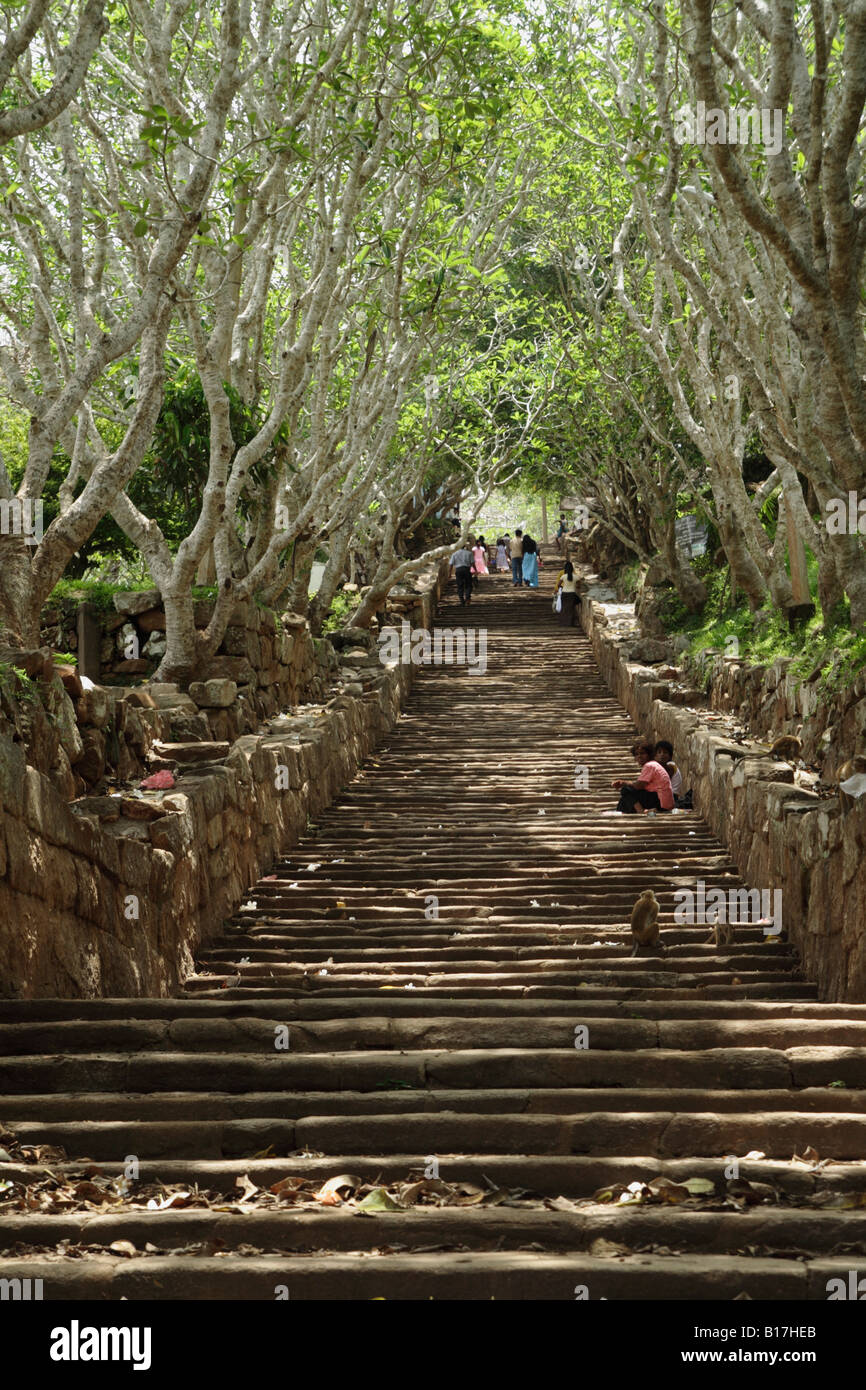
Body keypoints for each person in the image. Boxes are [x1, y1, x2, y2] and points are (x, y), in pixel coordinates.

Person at [612, 740, 673, 814]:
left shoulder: (650, 765)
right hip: (661, 802)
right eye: (637, 754)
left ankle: (640, 811)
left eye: (642, 753)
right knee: (625, 800)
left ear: (649, 754)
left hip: (660, 802)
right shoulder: (653, 765)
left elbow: (638, 786)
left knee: (626, 790)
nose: (639, 756)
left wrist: (624, 783)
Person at [655, 740, 691, 808]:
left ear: (670, 755)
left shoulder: (670, 766)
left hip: (671, 797)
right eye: (659, 752)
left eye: (665, 752)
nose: (662, 755)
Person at [449, 541, 474, 607]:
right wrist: (475, 570)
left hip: (458, 570)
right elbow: (472, 563)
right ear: (464, 547)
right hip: (466, 569)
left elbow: (451, 564)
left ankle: (461, 600)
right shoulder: (469, 553)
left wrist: (449, 573)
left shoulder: (454, 554)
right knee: (468, 584)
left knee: (460, 585)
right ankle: (467, 597)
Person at [555, 560, 579, 626]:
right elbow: (579, 585)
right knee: (571, 609)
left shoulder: (563, 576)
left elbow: (558, 584)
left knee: (564, 608)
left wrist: (562, 588)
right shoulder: (576, 577)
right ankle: (570, 623)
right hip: (572, 594)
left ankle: (563, 623)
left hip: (564, 593)